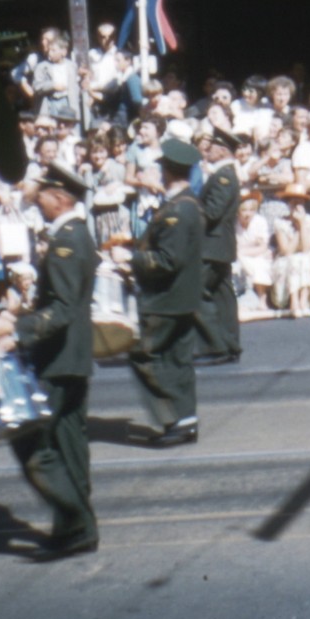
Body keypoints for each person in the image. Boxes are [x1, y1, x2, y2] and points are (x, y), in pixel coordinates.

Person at [0, 162, 99, 560]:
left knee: (32, 441)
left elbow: (64, 308)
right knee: (69, 444)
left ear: (60, 198)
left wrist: (17, 333)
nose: (38, 204)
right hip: (70, 356)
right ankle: (76, 530)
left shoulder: (68, 240)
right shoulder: (73, 234)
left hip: (58, 358)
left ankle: (75, 522)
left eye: (43, 198)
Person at [128, 136, 205, 446]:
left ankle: (171, 417)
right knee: (177, 360)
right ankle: (186, 420)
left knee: (146, 357)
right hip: (181, 298)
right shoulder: (186, 204)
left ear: (169, 170)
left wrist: (131, 259)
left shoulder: (178, 210)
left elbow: (168, 260)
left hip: (165, 299)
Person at [192, 128, 242, 366]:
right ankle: (230, 344)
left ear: (223, 150)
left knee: (196, 292)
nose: (207, 150)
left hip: (212, 245)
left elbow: (212, 211)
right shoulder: (225, 174)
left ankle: (215, 345)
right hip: (220, 246)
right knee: (223, 297)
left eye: (211, 147)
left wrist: (189, 208)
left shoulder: (223, 177)